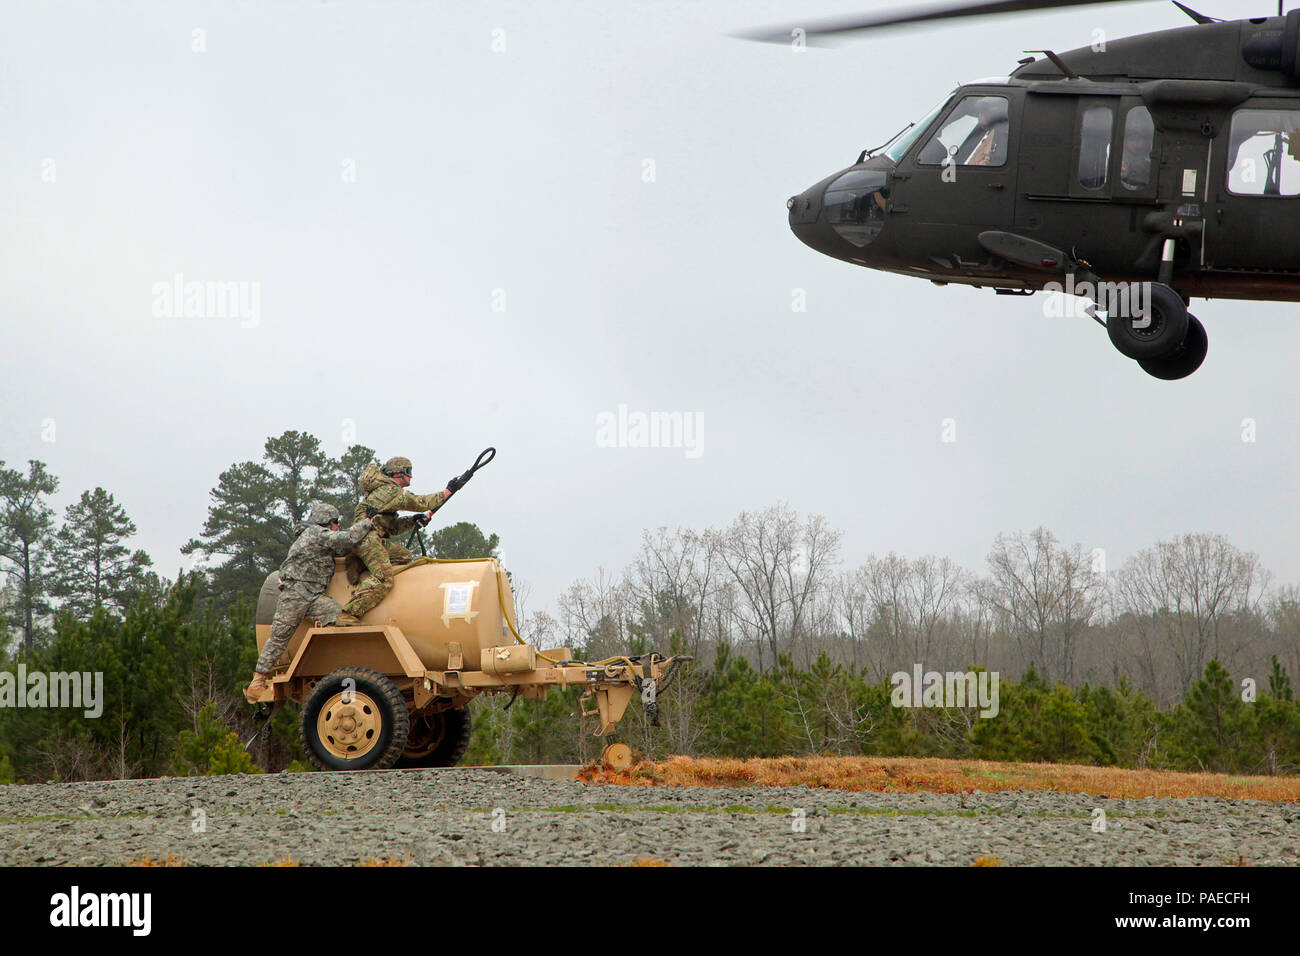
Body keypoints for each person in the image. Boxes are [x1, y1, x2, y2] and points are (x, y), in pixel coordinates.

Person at [243, 502, 372, 703]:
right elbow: (346, 538)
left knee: (343, 618)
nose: (338, 525)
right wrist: (367, 521)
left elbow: (343, 547)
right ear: (327, 522)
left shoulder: (320, 539)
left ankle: (333, 667)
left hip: (313, 597)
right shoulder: (315, 533)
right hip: (294, 595)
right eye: (336, 522)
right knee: (279, 637)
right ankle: (258, 681)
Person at [336, 456, 455, 622]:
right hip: (367, 540)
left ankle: (359, 562)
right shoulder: (391, 491)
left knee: (404, 555)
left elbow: (391, 527)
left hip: (367, 539)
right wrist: (447, 492)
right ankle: (348, 613)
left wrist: (413, 521)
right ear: (397, 473)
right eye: (408, 471)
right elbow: (421, 503)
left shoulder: (383, 491)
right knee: (384, 578)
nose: (411, 476)